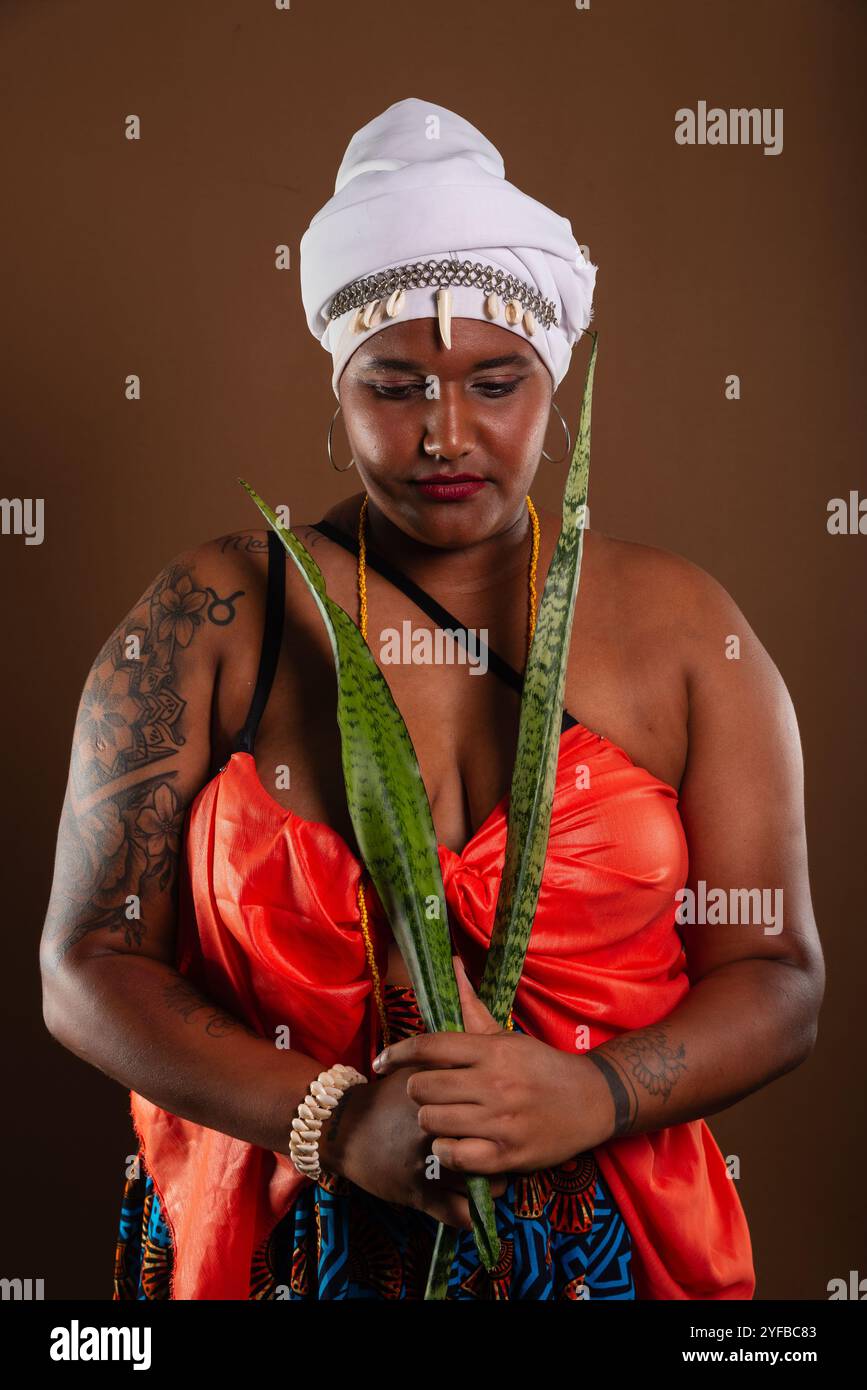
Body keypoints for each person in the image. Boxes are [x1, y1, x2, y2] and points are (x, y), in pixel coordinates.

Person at [40, 97, 823, 1302]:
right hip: (282, 1254)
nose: (446, 435)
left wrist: (596, 1093)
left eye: (496, 382)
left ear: (554, 381)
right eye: (394, 386)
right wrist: (334, 1121)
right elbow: (86, 961)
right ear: (337, 386)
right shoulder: (216, 615)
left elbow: (778, 975)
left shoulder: (684, 632)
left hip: (611, 1263)